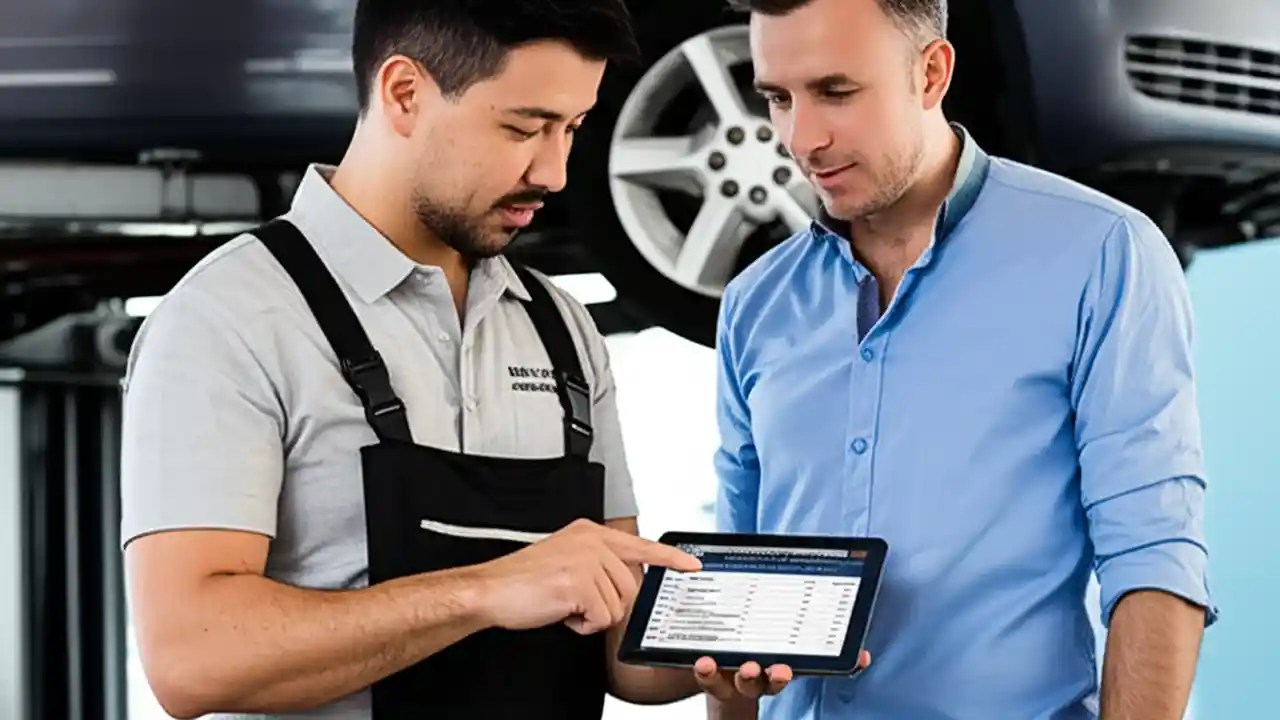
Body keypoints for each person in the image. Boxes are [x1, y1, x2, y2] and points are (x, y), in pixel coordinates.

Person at [120, 1, 826, 718]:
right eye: (523, 127)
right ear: (404, 93)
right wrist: (486, 591)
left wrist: (723, 648)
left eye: (573, 128)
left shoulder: (560, 326)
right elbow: (191, 659)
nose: (553, 171)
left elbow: (619, 644)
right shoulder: (229, 319)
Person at [711, 0, 1217, 718]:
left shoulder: (1100, 255)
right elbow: (734, 581)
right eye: (777, 98)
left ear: (931, 73)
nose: (802, 138)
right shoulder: (754, 303)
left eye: (836, 92)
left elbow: (1155, 558)